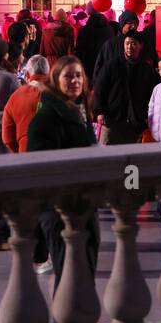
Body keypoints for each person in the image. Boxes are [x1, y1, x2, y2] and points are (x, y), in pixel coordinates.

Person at [26, 56, 100, 309]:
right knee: (68, 278)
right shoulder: (46, 118)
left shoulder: (80, 112)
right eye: (68, 76)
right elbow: (38, 171)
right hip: (60, 212)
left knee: (85, 278)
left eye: (79, 75)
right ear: (56, 80)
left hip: (85, 206)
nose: (75, 80)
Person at [93, 30, 158, 145]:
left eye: (133, 43)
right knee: (108, 157)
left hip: (134, 123)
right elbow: (100, 88)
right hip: (112, 119)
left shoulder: (146, 69)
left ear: (140, 45)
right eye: (127, 43)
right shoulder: (111, 66)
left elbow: (152, 94)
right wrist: (99, 111)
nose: (129, 47)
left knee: (130, 158)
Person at [2, 53, 51, 154]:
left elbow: (7, 138)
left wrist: (20, 149)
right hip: (55, 156)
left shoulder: (15, 97)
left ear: (28, 74)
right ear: (48, 73)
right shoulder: (58, 94)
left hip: (25, 155)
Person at [75, 4, 115, 79]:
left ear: (88, 12)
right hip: (105, 66)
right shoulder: (110, 29)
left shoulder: (85, 30)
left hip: (89, 68)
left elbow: (80, 51)